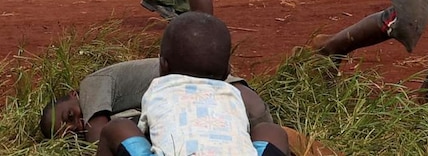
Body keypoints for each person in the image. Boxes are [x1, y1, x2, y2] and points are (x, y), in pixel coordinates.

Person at [94, 13, 294, 156]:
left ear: (163, 66)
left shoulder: (159, 89)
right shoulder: (233, 94)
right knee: (272, 131)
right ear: (227, 71)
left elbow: (149, 132)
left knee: (118, 128)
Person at [41, 58, 274, 144]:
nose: (78, 124)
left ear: (73, 95)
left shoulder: (91, 84)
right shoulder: (123, 111)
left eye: (69, 116)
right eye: (70, 133)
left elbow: (96, 136)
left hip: (214, 87)